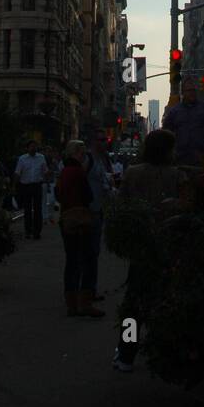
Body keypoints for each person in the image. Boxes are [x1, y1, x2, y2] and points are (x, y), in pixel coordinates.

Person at [113, 129, 183, 372]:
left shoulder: (132, 174)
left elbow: (121, 206)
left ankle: (126, 355)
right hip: (168, 247)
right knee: (167, 301)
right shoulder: (177, 176)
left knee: (133, 305)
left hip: (142, 248)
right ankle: (165, 353)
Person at [55, 140, 103, 317]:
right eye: (82, 153)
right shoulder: (77, 172)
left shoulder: (64, 171)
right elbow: (88, 196)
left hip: (67, 217)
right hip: (80, 219)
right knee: (88, 259)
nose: (84, 156)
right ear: (76, 153)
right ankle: (85, 303)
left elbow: (57, 193)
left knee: (72, 261)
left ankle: (72, 304)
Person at [84, 128, 114, 301]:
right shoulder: (87, 159)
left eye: (106, 140)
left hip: (98, 210)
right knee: (87, 253)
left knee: (93, 253)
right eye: (101, 140)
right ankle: (85, 292)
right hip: (88, 212)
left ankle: (89, 290)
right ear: (94, 142)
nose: (105, 142)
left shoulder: (103, 160)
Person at [162, 84, 204, 167]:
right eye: (189, 90)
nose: (192, 93)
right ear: (183, 93)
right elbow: (166, 131)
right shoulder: (174, 111)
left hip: (203, 159)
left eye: (194, 90)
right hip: (181, 159)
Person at [13, 141, 47, 240]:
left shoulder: (41, 157)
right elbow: (17, 172)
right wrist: (14, 186)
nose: (33, 148)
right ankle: (28, 231)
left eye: (35, 146)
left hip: (37, 185)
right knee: (27, 209)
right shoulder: (22, 159)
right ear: (27, 148)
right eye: (31, 147)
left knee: (38, 209)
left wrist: (47, 175)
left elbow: (45, 170)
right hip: (26, 186)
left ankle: (37, 231)